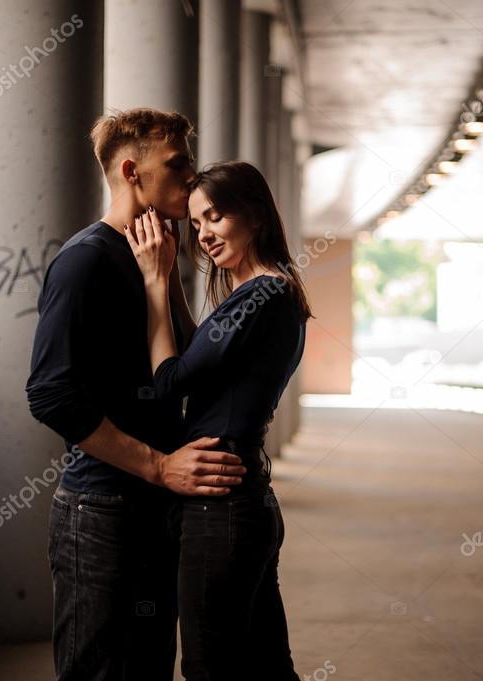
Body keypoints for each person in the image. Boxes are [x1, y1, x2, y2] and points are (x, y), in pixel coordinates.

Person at [25, 109, 247, 681]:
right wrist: (158, 466)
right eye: (177, 165)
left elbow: (182, 369)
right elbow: (52, 396)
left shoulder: (156, 254)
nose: (192, 177)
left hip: (155, 509)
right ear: (131, 172)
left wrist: (167, 278)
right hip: (101, 512)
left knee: (149, 669)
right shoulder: (84, 261)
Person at [124, 160, 312, 681]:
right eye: (196, 223)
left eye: (215, 217)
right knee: (268, 665)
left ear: (253, 215)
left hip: (221, 506)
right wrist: (173, 288)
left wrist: (154, 282)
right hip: (246, 501)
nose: (203, 234)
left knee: (211, 665)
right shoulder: (273, 293)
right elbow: (200, 350)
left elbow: (169, 378)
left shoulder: (261, 297)